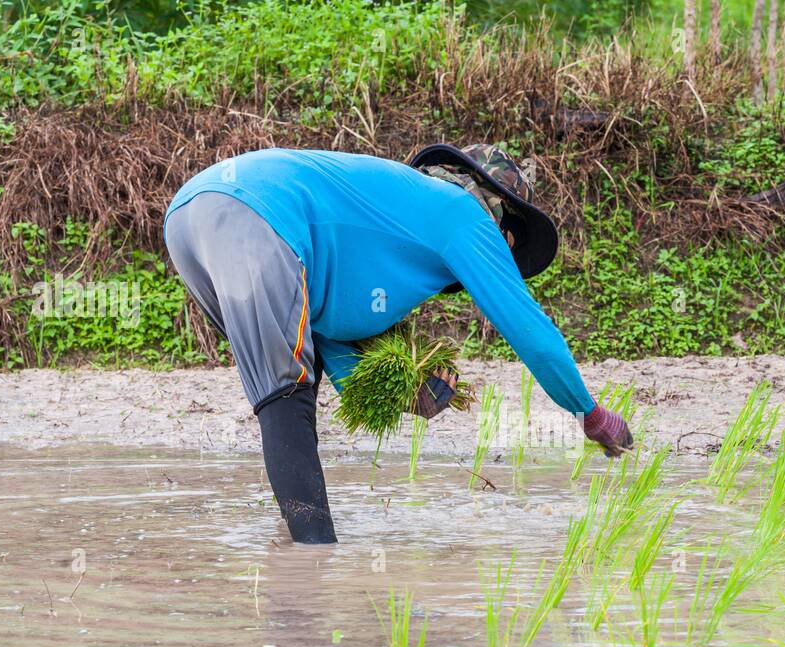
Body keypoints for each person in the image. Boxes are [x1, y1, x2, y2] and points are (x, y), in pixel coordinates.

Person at [164, 144, 633, 544]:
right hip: (258, 214)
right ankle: (309, 579)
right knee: (287, 391)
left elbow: (340, 360)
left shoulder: (383, 225)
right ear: (504, 229)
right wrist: (590, 414)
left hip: (189, 220)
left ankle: (302, 561)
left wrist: (407, 397)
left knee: (290, 385)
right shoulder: (464, 213)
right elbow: (532, 334)